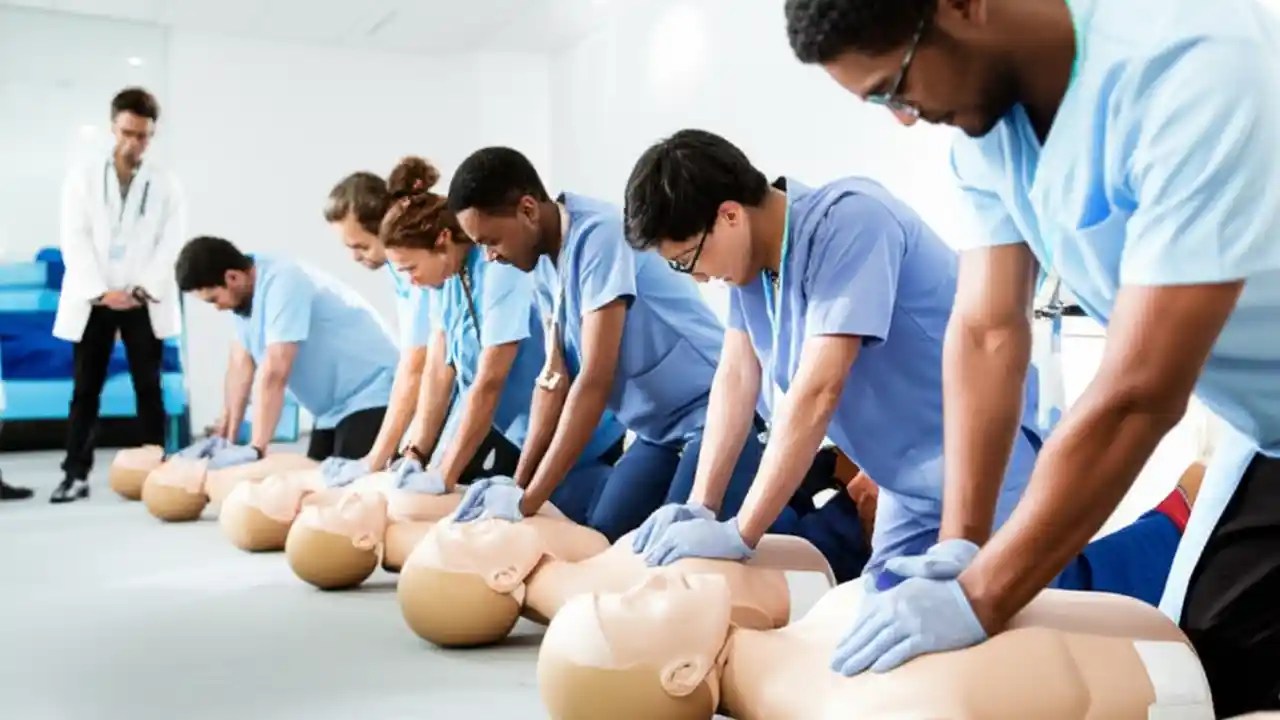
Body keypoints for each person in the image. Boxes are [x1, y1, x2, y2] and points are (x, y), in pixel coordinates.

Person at [783, 0, 1280, 713]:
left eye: (896, 87)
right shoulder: (988, 134)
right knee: (1208, 670)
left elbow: (1141, 391)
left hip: (1217, 406)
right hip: (1264, 431)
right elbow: (987, 331)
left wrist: (982, 596)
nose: (903, 117)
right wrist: (962, 543)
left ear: (962, 7)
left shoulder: (1192, 65)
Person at [622, 128, 1189, 606]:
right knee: (891, 617)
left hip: (980, 460)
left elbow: (818, 390)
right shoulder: (753, 274)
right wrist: (700, 504)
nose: (696, 279)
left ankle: (1177, 524)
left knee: (1049, 605)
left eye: (686, 261)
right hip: (906, 488)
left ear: (729, 216)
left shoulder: (850, 221)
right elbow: (735, 379)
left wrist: (742, 533)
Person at [443, 147, 759, 542]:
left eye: (491, 241)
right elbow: (553, 378)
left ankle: (807, 509)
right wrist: (518, 485)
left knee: (676, 545)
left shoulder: (600, 234)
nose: (489, 256)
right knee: (605, 534)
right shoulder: (540, 263)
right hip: (656, 432)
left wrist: (527, 504)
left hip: (715, 415)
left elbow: (593, 378)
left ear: (527, 209)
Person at [374, 155, 622, 520]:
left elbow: (490, 381)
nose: (410, 281)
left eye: (411, 268)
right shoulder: (444, 284)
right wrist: (416, 453)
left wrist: (445, 474)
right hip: (529, 434)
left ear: (443, 240)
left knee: (588, 525)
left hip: (579, 433)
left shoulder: (500, 266)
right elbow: (439, 374)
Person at [322, 168, 517, 485]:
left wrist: (391, 460)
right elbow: (438, 365)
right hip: (479, 404)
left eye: (360, 246)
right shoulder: (430, 276)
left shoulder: (480, 272)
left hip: (509, 412)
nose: (355, 257)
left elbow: (425, 367)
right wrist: (415, 453)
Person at [51, 87, 186, 504]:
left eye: (143, 135)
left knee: (149, 387)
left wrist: (141, 289)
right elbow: (73, 236)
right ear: (114, 127)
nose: (135, 142)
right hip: (95, 299)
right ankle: (75, 474)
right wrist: (99, 291)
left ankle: (156, 471)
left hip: (143, 299)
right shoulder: (83, 175)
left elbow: (172, 241)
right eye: (127, 132)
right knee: (85, 389)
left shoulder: (165, 183)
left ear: (152, 133)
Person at [175, 236, 397, 468]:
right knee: (310, 483)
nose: (217, 308)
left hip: (373, 390)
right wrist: (226, 439)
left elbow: (275, 370)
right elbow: (240, 365)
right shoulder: (242, 299)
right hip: (330, 410)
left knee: (346, 489)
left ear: (232, 277)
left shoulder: (283, 281)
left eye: (214, 300)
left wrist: (257, 447)